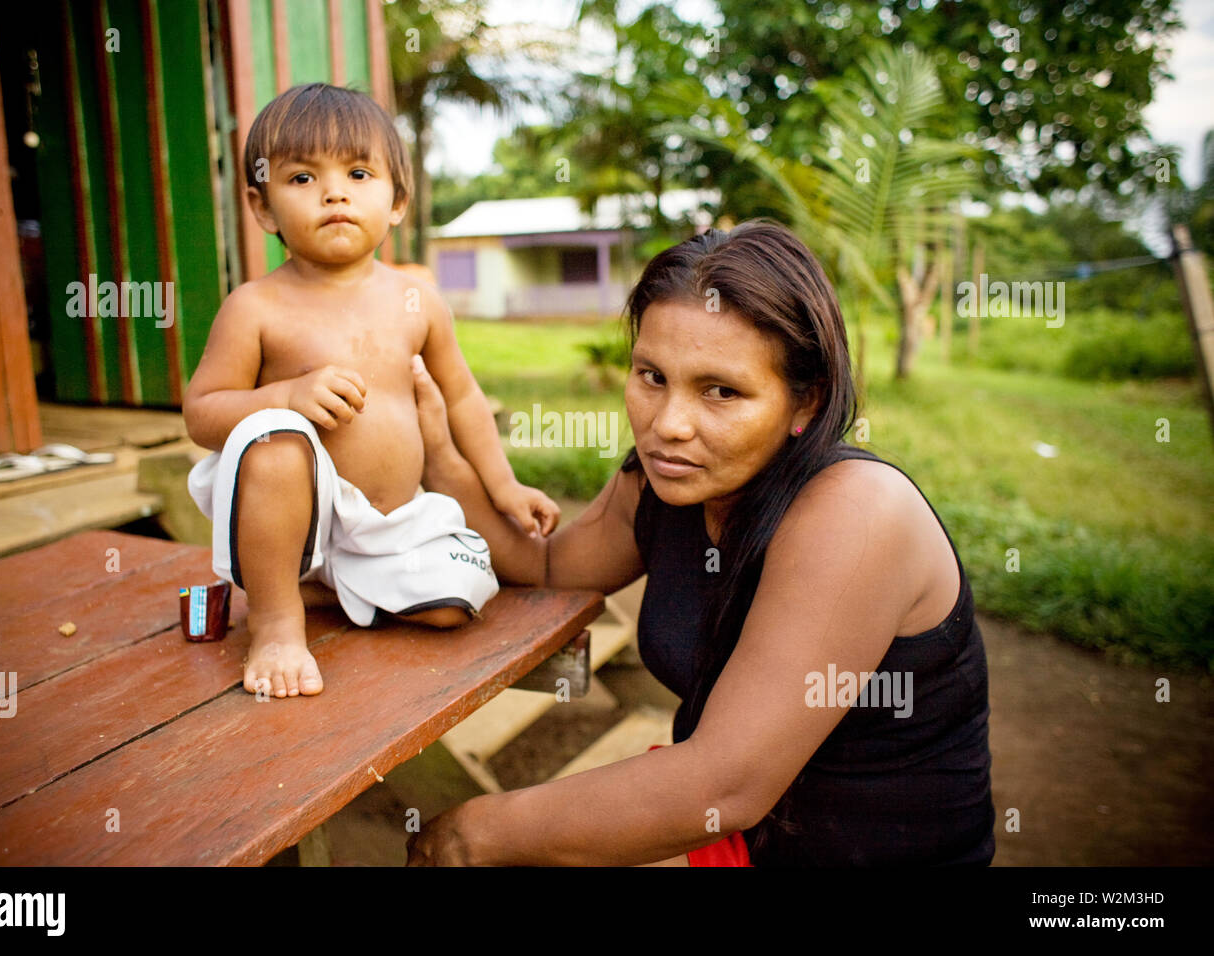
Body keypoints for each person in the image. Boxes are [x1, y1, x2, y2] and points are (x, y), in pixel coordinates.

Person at [404, 220, 996, 866]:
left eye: (721, 391)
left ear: (807, 400)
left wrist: (469, 835)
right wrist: (442, 456)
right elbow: (547, 564)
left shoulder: (857, 514)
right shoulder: (666, 484)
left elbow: (724, 783)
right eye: (652, 376)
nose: (668, 425)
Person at [181, 84, 559, 699]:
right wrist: (284, 396)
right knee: (276, 446)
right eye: (302, 178)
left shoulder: (417, 301)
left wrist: (504, 485)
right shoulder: (255, 307)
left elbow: (462, 398)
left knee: (453, 604)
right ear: (263, 208)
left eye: (358, 172)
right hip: (299, 519)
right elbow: (202, 413)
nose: (334, 192)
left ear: (397, 201)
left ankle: (327, 587)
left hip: (391, 524)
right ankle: (277, 620)